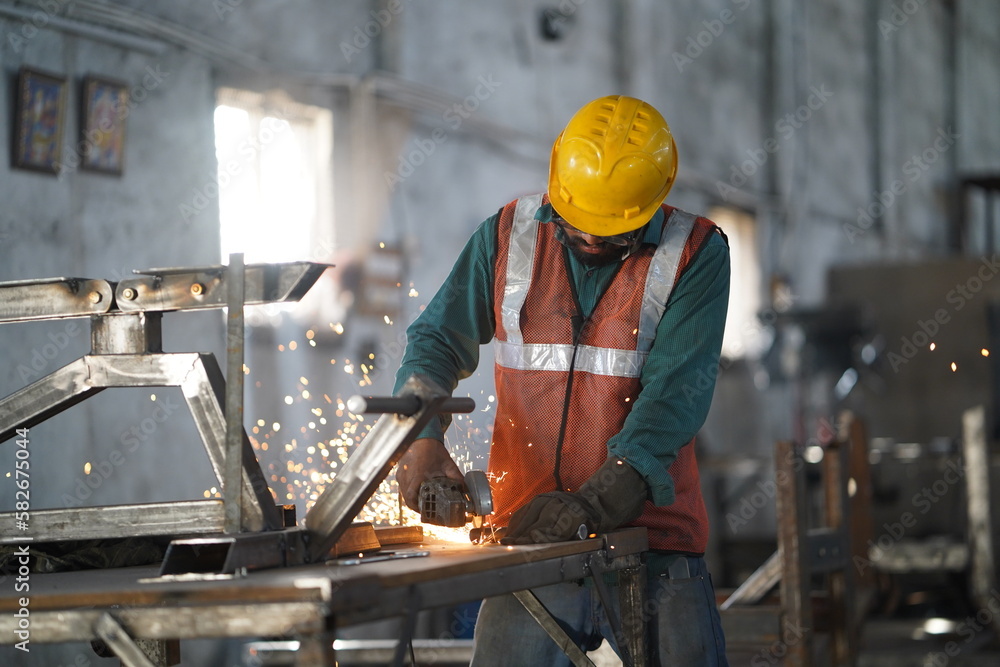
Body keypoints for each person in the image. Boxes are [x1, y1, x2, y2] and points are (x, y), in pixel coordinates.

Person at [394, 95, 730, 665]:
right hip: (527, 542)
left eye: (611, 233)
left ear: (655, 201)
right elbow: (435, 340)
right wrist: (420, 438)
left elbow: (675, 397)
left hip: (652, 546)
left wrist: (595, 504)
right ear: (557, 182)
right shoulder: (507, 236)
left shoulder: (694, 254)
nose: (592, 241)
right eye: (579, 226)